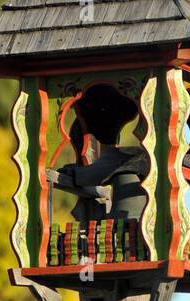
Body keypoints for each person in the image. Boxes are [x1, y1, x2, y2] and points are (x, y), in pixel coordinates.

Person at [55, 84, 149, 223]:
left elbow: (94, 173)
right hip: (140, 224)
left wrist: (77, 174)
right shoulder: (139, 158)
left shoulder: (132, 158)